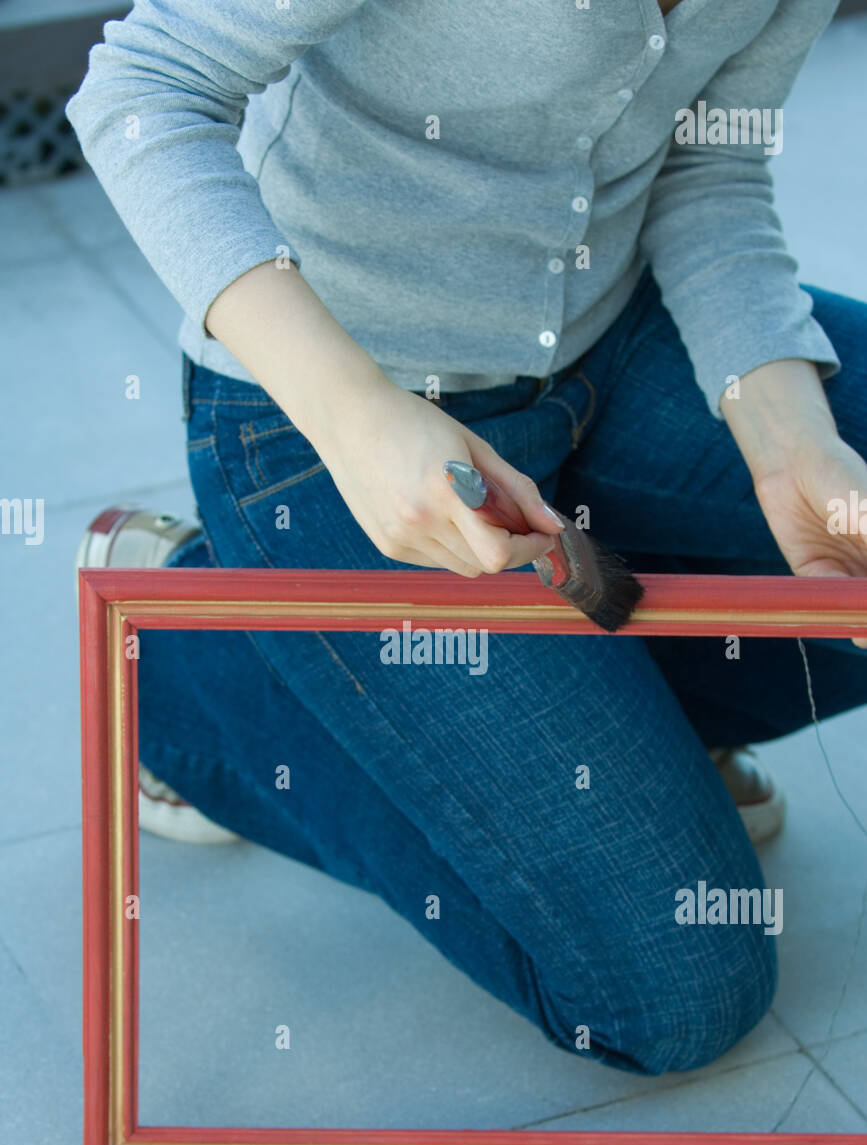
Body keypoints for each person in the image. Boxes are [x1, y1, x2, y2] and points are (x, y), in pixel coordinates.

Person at [68, 0, 867, 1076]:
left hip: (617, 344)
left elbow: (705, 168)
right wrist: (356, 417)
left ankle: (619, 718)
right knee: (678, 990)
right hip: (328, 421)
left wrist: (790, 443)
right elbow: (142, 87)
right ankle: (181, 655)